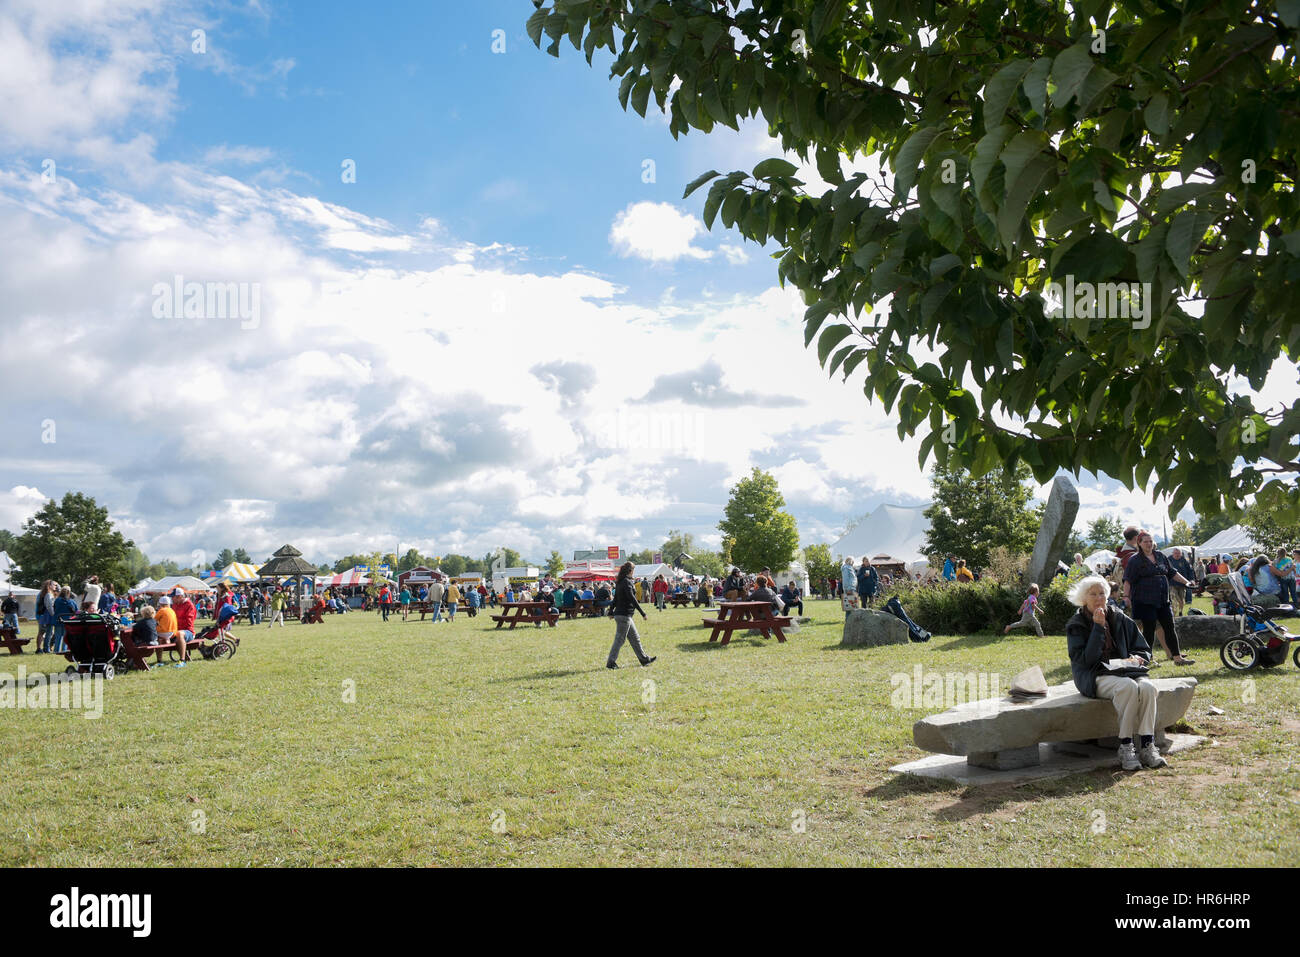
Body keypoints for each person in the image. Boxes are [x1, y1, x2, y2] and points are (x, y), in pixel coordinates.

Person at [1066, 575, 1167, 770]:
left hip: (1125, 671)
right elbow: (1086, 661)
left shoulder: (1119, 617)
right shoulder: (1076, 624)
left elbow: (1143, 648)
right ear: (1083, 598)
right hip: (1094, 676)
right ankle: (1126, 746)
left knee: (1147, 687)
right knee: (1127, 687)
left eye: (1102, 593)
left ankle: (1147, 745)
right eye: (1092, 594)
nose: (1098, 598)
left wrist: (1138, 658)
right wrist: (1097, 628)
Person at [1123, 531, 1195, 665]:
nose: (1149, 544)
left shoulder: (1160, 556)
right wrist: (1126, 596)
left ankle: (1177, 658)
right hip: (1144, 600)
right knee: (1149, 630)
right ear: (1139, 543)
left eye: (1150, 541)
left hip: (1163, 600)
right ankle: (1147, 659)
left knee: (1169, 626)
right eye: (1145, 541)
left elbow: (1172, 573)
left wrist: (1187, 582)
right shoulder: (1135, 560)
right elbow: (1128, 580)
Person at [606, 561, 655, 669]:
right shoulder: (627, 582)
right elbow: (632, 599)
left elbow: (616, 598)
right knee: (619, 640)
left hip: (624, 615)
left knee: (635, 638)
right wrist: (643, 613)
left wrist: (610, 611)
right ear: (630, 571)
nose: (634, 572)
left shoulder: (620, 582)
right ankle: (611, 663)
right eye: (633, 570)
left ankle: (644, 659)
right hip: (624, 615)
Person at [155, 596, 188, 665]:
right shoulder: (172, 611)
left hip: (164, 632)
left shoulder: (161, 610)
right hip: (173, 633)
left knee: (156, 637)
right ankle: (167, 640)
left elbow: (154, 620)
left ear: (161, 604)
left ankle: (159, 660)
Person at [1167, 547, 1194, 614]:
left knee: (1182, 600)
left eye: (1179, 553)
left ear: (1181, 554)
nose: (1177, 555)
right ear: (1173, 553)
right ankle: (1174, 613)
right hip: (1172, 584)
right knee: (1174, 599)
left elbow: (1190, 571)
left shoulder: (1184, 560)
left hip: (1182, 584)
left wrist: (1191, 579)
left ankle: (1180, 612)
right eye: (1176, 553)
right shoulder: (1168, 560)